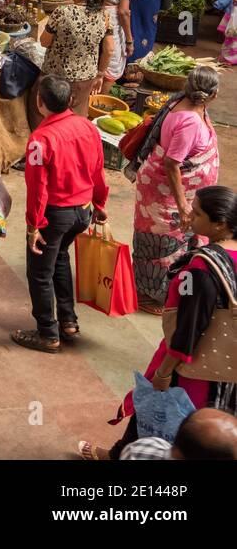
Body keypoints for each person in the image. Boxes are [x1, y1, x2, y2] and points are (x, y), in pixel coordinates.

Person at [82, 187, 237, 460]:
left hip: (195, 365)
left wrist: (164, 372)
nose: (190, 215)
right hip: (229, 367)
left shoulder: (203, 267)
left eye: (197, 212)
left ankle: (127, 455)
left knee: (164, 413)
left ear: (219, 223)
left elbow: (188, 329)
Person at [11, 75, 110, 354]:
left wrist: (34, 225)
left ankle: (47, 333)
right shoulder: (87, 126)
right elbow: (98, 169)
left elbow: (37, 188)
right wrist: (100, 204)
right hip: (83, 212)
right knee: (61, 258)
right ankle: (68, 322)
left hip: (56, 215)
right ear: (70, 100)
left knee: (40, 273)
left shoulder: (39, 140)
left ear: (40, 102)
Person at [131, 67, 222, 312]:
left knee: (184, 243)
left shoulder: (187, 104)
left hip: (177, 192)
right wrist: (183, 207)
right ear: (212, 95)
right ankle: (149, 295)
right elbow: (172, 163)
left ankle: (174, 288)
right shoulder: (190, 122)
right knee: (163, 245)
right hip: (166, 194)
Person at [37, 0, 114, 119]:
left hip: (56, 77)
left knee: (48, 116)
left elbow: (44, 42)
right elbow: (109, 49)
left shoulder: (62, 12)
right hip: (84, 81)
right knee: (75, 117)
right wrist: (100, 75)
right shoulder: (103, 15)